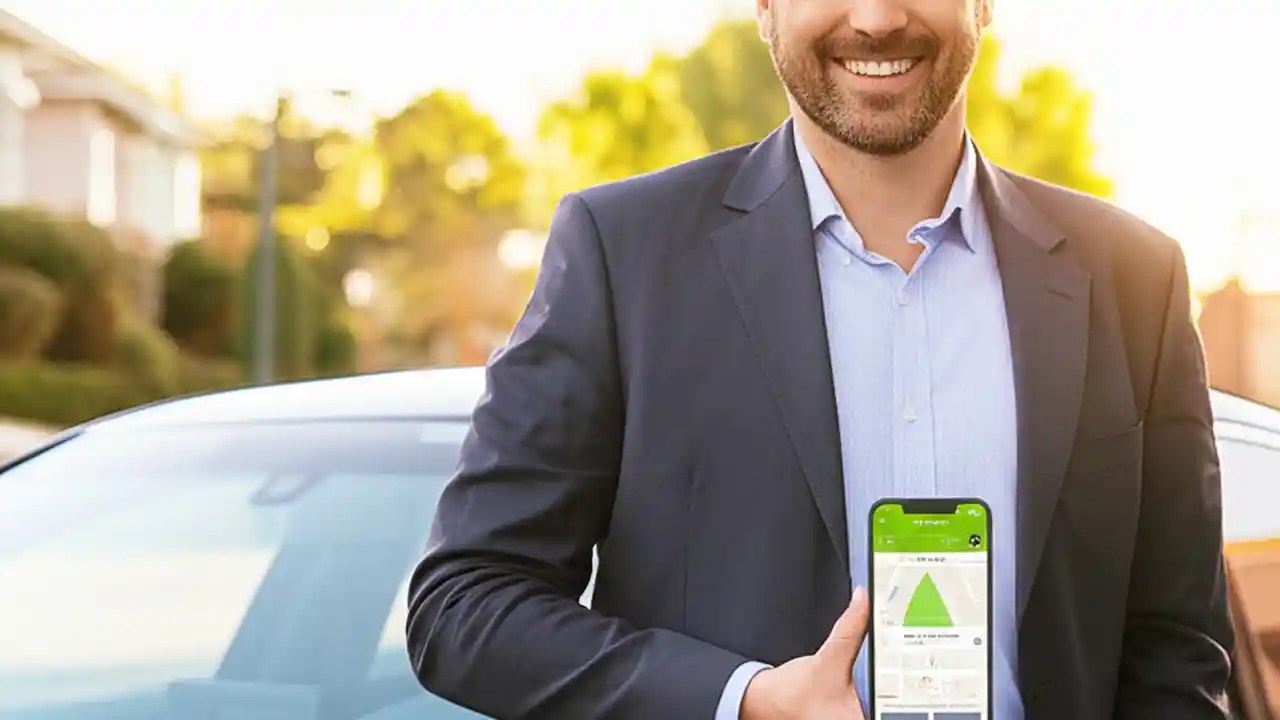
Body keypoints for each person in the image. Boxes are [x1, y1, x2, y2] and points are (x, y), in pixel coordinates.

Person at [405, 0, 1235, 717]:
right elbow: (465, 606)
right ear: (764, 6)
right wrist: (742, 698)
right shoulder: (625, 254)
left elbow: (1177, 645)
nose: (876, 19)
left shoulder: (1132, 277)